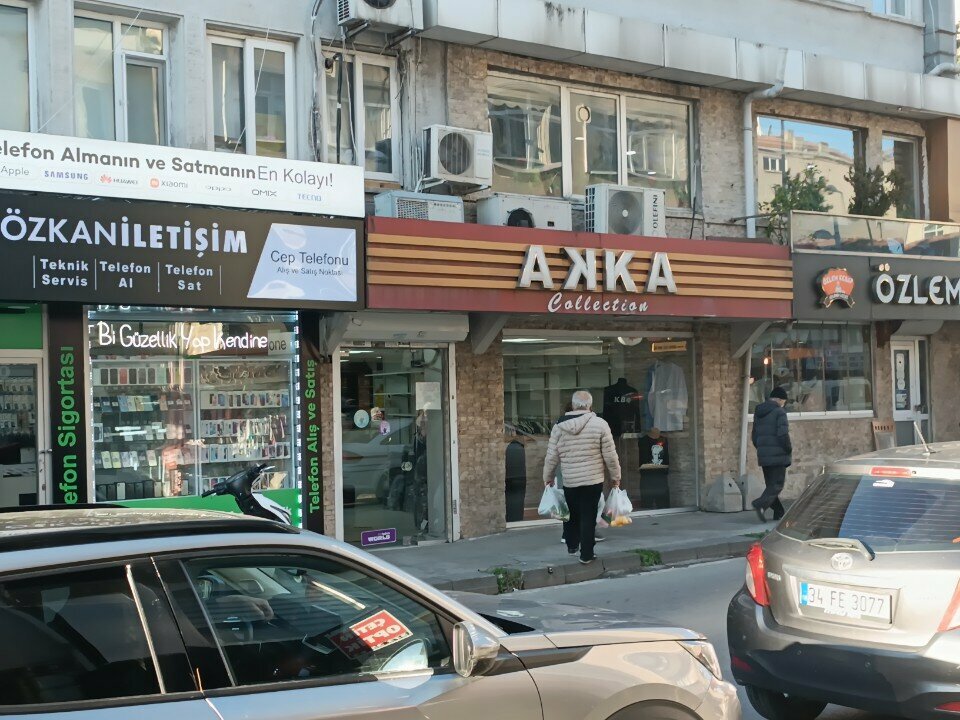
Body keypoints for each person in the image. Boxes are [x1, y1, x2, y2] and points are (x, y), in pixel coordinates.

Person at [544, 390, 621, 564]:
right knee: (588, 515)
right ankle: (586, 554)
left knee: (571, 513)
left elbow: (551, 455)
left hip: (570, 479)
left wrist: (547, 476)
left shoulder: (559, 426)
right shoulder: (600, 424)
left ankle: (572, 544)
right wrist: (615, 477)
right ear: (589, 405)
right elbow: (610, 455)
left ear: (572, 405)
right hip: (593, 479)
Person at [751, 386, 792, 522]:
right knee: (777, 485)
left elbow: (754, 435)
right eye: (784, 401)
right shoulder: (779, 412)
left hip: (764, 455)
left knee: (771, 486)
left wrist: (762, 449)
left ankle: (779, 512)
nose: (783, 404)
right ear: (780, 399)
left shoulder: (759, 411)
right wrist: (788, 449)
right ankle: (760, 504)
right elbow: (783, 435)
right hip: (778, 455)